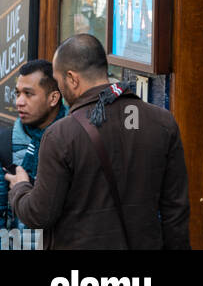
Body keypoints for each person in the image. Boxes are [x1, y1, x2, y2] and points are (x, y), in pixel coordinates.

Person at [5, 33, 190, 250]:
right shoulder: (162, 122)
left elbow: (39, 214)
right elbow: (175, 211)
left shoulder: (60, 135)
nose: (60, 90)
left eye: (60, 81)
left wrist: (20, 188)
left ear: (72, 79)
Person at [0, 59, 66, 244]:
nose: (19, 102)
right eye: (18, 93)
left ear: (53, 98)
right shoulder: (5, 144)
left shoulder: (74, 139)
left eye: (29, 94)